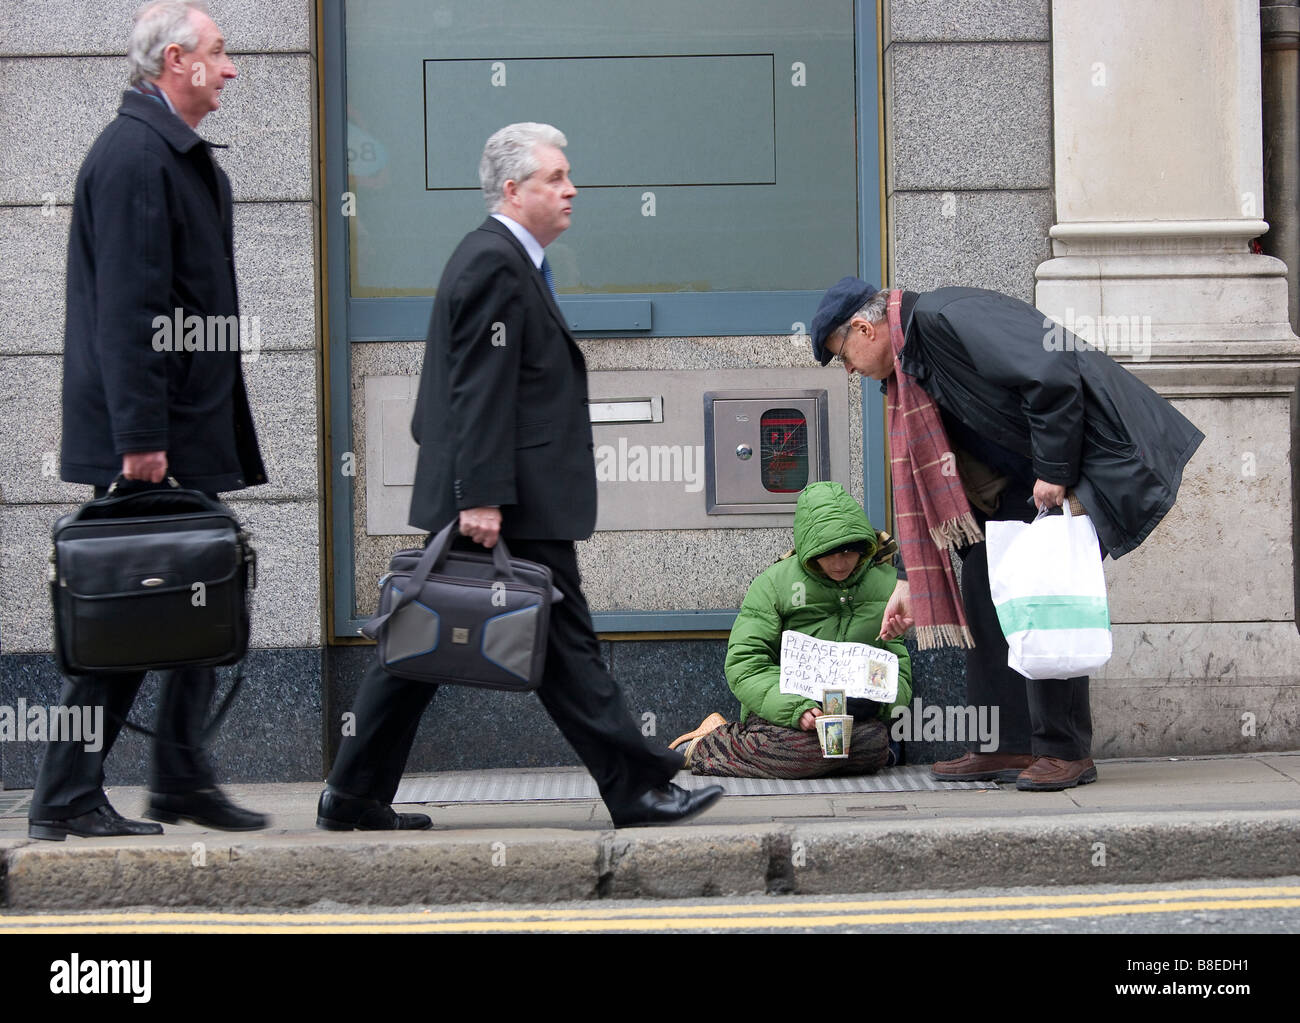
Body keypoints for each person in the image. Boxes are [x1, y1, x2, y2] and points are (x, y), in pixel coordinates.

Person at [317, 123, 723, 830]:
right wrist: (480, 495)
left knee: (422, 645)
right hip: (505, 503)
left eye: (569, 175)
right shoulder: (494, 263)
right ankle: (637, 787)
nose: (572, 189)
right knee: (556, 649)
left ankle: (351, 795)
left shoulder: (509, 260)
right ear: (512, 188)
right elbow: (476, 388)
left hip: (504, 498)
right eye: (555, 177)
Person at [808, 278, 1204, 790]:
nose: (850, 370)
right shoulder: (908, 366)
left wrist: (1055, 470)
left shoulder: (947, 317)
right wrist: (906, 580)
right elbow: (925, 482)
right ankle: (1007, 744)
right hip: (1008, 487)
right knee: (983, 590)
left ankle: (1066, 751)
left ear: (865, 328)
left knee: (1044, 600)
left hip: (1073, 464)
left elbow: (1051, 370)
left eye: (843, 356)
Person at [29, 1, 268, 840]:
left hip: (177, 424)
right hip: (152, 435)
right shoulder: (137, 155)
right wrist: (140, 441)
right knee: (130, 610)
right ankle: (65, 793)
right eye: (220, 52)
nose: (231, 68)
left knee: (191, 594)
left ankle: (178, 776)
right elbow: (127, 313)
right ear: (178, 60)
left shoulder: (164, 149)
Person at [673, 481, 912, 778]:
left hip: (851, 713)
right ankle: (711, 742)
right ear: (810, 551)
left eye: (849, 551)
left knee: (873, 744)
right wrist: (795, 708)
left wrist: (880, 701)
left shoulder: (889, 585)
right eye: (828, 553)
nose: (840, 563)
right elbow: (745, 663)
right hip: (784, 713)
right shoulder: (774, 584)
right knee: (804, 751)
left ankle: (820, 757)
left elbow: (897, 662)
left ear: (864, 547)